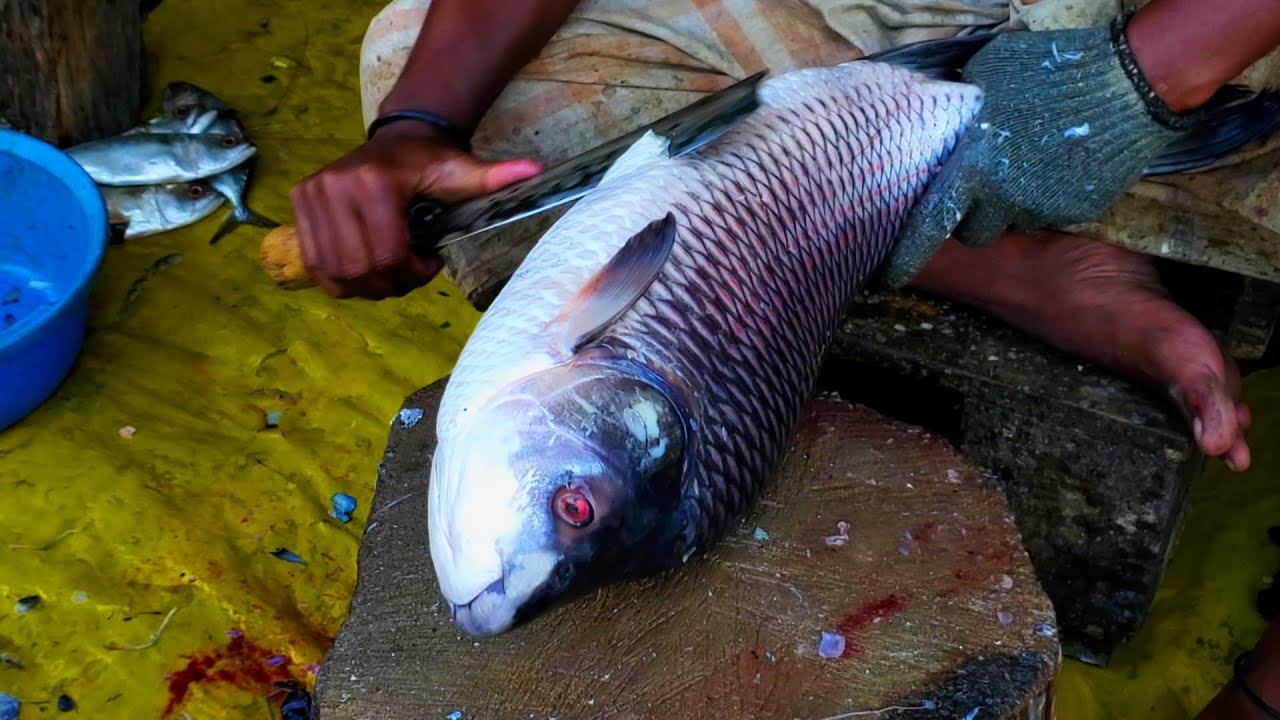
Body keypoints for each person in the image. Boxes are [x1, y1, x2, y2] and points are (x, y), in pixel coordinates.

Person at [288, 2, 1280, 710]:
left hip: (1217, 63)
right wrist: (419, 122)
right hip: (887, 24)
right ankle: (1009, 262)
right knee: (418, 55)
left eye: (576, 508)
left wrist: (1138, 77)